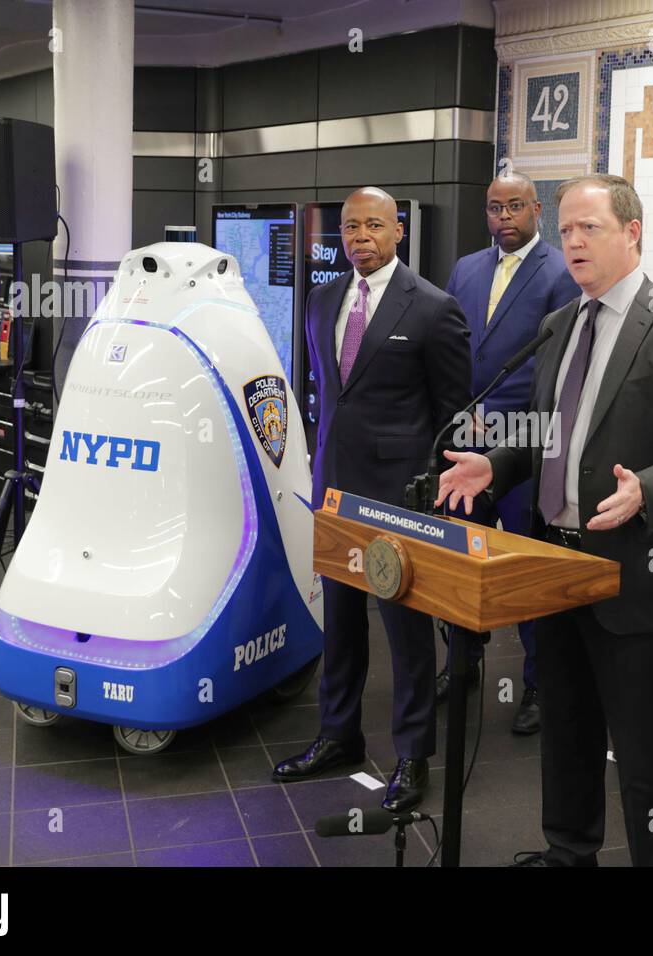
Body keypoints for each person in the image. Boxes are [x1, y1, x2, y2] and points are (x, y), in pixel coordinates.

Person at [437, 174, 653, 866]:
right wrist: (497, 464)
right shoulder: (562, 323)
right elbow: (553, 427)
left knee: (645, 753)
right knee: (568, 731)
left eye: (591, 228)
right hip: (556, 567)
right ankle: (568, 850)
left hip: (636, 575)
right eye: (568, 228)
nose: (573, 241)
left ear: (632, 234)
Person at [273, 187, 471, 814]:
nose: (359, 236)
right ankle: (339, 735)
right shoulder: (322, 298)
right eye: (350, 226)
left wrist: (433, 496)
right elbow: (327, 394)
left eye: (373, 226)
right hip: (334, 487)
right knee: (342, 622)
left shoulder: (435, 309)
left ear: (399, 231)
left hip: (398, 499)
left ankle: (413, 755)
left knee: (406, 631)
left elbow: (453, 417)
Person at [439, 170, 580, 734]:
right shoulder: (465, 269)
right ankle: (463, 662)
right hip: (463, 442)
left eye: (514, 207)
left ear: (536, 210)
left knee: (522, 569)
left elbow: (560, 366)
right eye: (495, 208)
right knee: (462, 559)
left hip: (524, 446)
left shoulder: (559, 272)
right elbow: (452, 346)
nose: (503, 218)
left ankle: (539, 685)